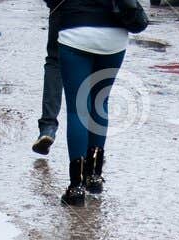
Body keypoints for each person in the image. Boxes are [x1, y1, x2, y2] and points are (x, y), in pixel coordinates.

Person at [46, 0, 131, 206]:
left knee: (77, 110)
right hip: (114, 35)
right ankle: (94, 177)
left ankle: (76, 188)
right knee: (100, 102)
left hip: (75, 32)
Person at [32, 11, 62, 155]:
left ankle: (48, 128)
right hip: (105, 19)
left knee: (55, 61)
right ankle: (94, 142)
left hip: (65, 9)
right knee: (95, 67)